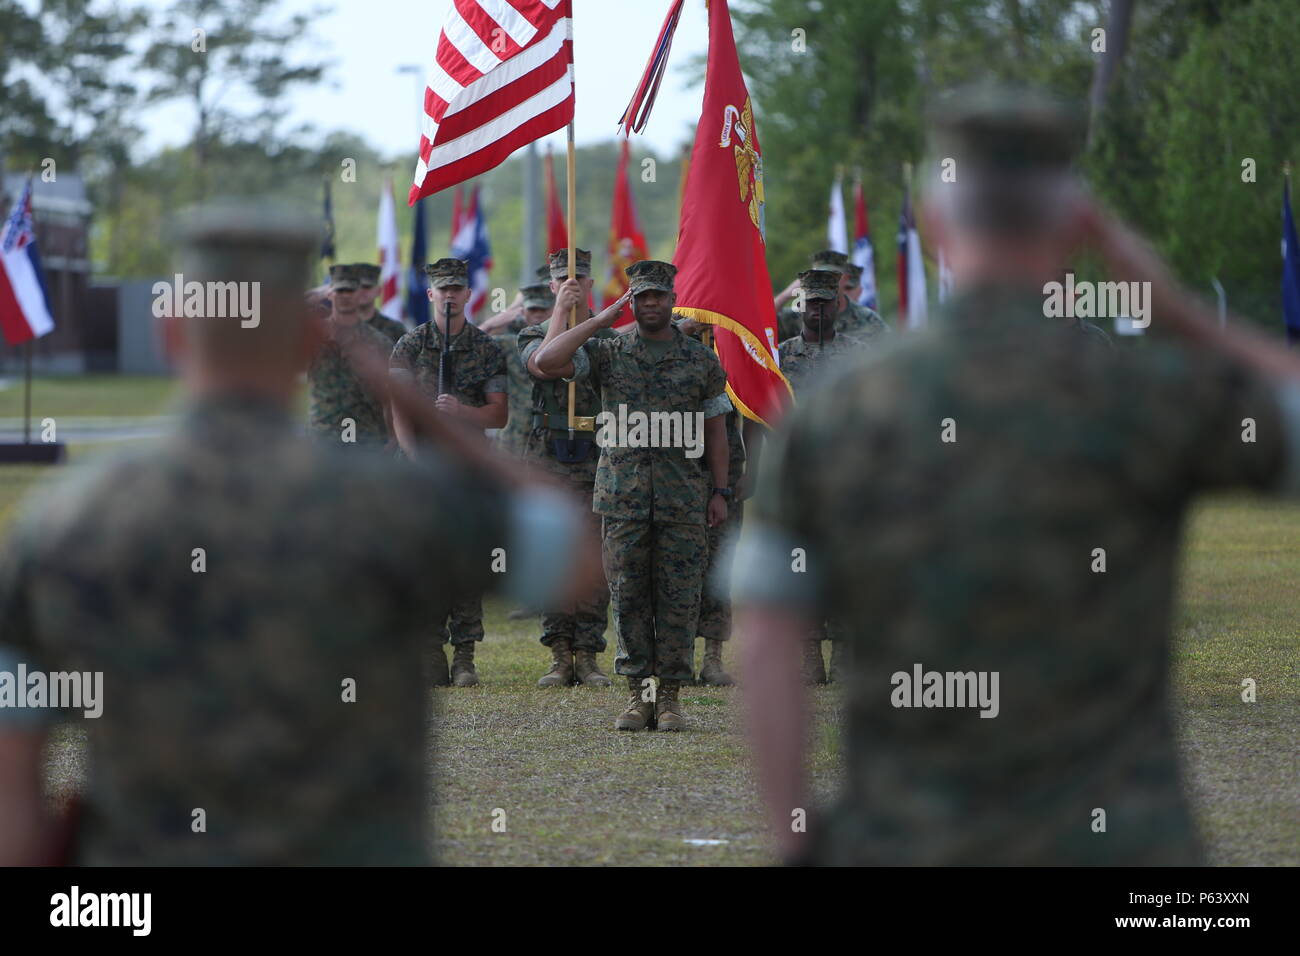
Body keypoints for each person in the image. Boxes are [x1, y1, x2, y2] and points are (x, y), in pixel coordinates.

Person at [733, 86, 1300, 866]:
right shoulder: (1141, 392)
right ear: (1078, 226)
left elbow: (766, 631)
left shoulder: (839, 407)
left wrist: (795, 837)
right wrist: (1185, 317)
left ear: (934, 226)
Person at [0, 201, 589, 865]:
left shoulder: (66, 519)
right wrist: (427, 413)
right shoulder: (392, 503)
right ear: (314, 342)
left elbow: (14, 781)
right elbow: (574, 557)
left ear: (169, 331)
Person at [531, 260, 732, 731]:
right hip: (623, 500)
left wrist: (720, 491)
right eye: (642, 296)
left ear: (672, 298)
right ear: (632, 301)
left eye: (659, 295)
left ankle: (671, 701)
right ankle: (639, 699)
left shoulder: (700, 359)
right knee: (628, 600)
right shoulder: (608, 351)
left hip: (684, 499)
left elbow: (717, 433)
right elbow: (546, 362)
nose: (651, 304)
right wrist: (598, 321)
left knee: (680, 600)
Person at [390, 258, 508, 688]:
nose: (451, 296)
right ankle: (427, 651)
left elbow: (498, 415)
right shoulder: (410, 345)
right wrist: (412, 456)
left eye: (457, 288)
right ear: (430, 295)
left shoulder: (486, 348)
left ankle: (465, 657)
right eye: (443, 289)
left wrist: (463, 411)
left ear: (467, 294)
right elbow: (398, 408)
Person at [517, 250, 617, 688]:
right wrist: (560, 312)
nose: (572, 285)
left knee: (595, 552)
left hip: (598, 449)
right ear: (552, 285)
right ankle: (559, 654)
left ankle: (589, 654)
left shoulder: (608, 334)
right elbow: (542, 365)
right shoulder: (532, 332)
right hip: (548, 452)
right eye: (563, 280)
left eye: (580, 278)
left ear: (592, 284)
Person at [774, 267, 872, 684]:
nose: (816, 310)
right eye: (809, 302)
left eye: (824, 302)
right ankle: (808, 656)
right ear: (800, 306)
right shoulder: (779, 355)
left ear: (837, 305)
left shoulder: (859, 355)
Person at [306, 263, 393, 450]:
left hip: (368, 437)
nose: (345, 296)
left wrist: (393, 438)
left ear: (359, 294)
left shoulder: (379, 342)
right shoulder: (315, 338)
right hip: (324, 436)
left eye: (351, 291)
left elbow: (392, 397)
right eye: (340, 290)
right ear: (329, 294)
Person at [495, 274, 555, 459]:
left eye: (543, 309)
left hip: (552, 440)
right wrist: (498, 319)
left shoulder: (564, 346)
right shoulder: (510, 344)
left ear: (554, 311)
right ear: (524, 312)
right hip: (514, 437)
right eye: (533, 309)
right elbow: (473, 343)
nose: (537, 314)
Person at [774, 250, 891, 342]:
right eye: (817, 276)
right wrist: (786, 294)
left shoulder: (867, 320)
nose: (824, 281)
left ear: (846, 279)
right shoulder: (798, 315)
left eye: (831, 276)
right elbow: (759, 327)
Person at [354, 262, 408, 347]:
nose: (361, 291)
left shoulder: (396, 330)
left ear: (378, 290)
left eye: (367, 287)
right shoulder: (339, 329)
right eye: (356, 286)